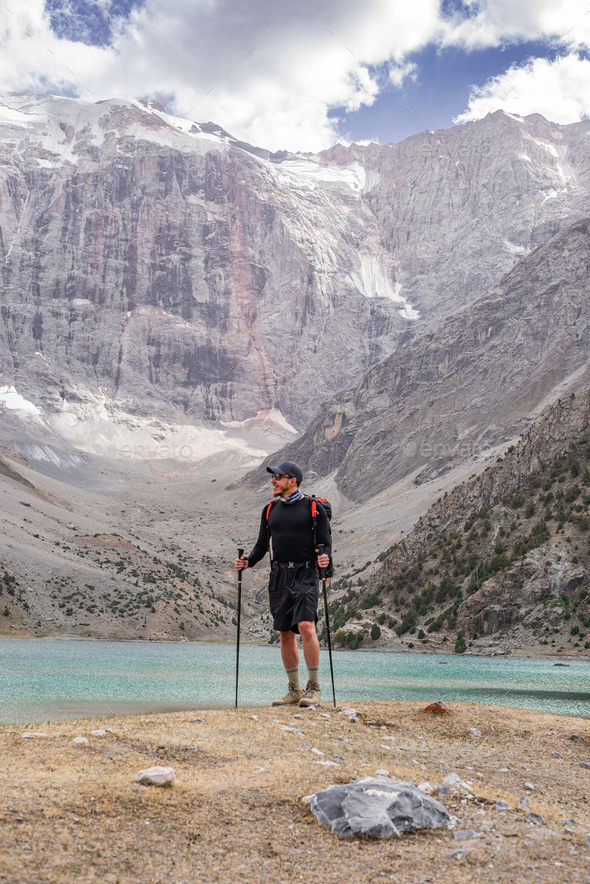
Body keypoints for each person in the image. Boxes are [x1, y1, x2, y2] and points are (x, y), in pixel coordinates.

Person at [235, 460, 331, 707]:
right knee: (285, 633)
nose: (273, 480)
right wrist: (247, 562)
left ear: (292, 480)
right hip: (279, 576)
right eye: (273, 476)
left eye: (277, 476)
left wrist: (325, 559)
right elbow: (260, 546)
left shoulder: (313, 508)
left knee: (306, 626)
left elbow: (325, 543)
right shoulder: (269, 510)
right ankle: (294, 690)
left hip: (306, 574)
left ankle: (314, 688)